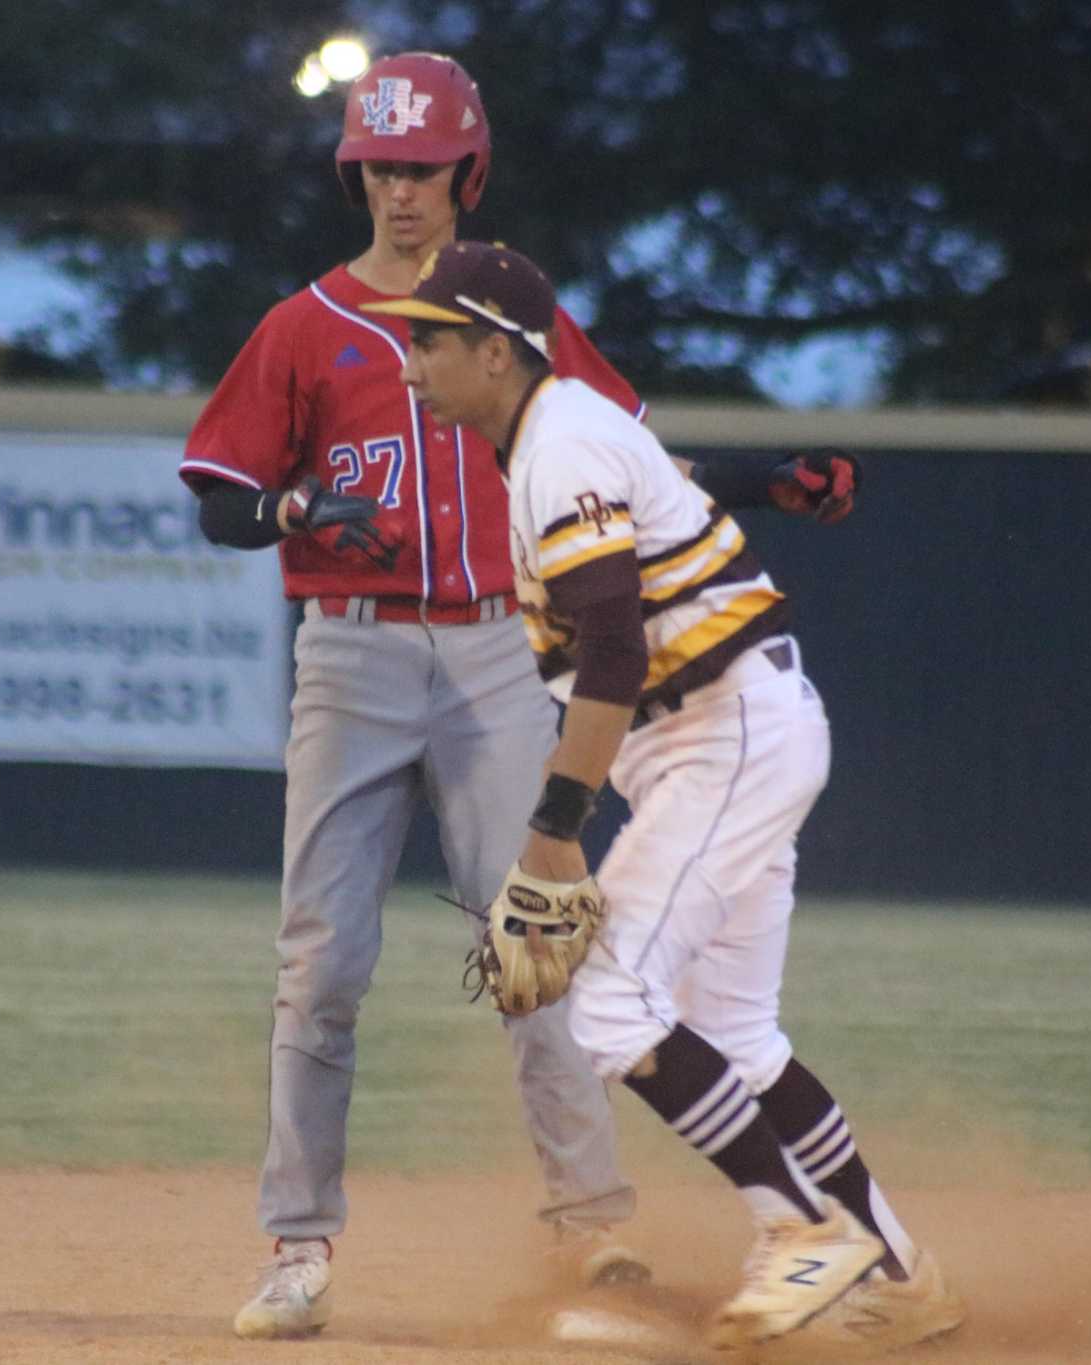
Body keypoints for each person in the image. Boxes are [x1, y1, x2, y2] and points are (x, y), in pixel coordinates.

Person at [363, 241, 967, 1353]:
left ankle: (798, 1231)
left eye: (427, 341)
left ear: (495, 354)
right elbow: (664, 485)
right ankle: (898, 1273)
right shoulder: (559, 432)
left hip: (720, 733)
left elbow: (607, 655)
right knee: (735, 1033)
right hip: (731, 732)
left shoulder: (558, 449)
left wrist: (553, 833)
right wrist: (768, 479)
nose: (409, 364)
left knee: (605, 1000)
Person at [178, 52, 650, 1341]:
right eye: (380, 166)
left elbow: (625, 448)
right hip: (350, 653)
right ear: (357, 174)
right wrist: (285, 506)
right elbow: (219, 496)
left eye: (422, 165)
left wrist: (765, 479)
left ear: (465, 171)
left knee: (535, 935)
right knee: (322, 957)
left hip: (501, 648)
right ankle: (296, 1248)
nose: (400, 189)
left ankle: (594, 1225)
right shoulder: (303, 326)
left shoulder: (510, 311)